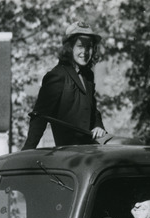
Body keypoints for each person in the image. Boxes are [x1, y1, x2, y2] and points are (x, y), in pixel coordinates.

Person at [22, 21, 108, 150]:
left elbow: (93, 110)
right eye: (80, 46)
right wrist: (27, 151)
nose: (85, 52)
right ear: (69, 48)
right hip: (69, 153)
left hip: (91, 148)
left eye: (89, 47)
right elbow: (39, 116)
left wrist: (98, 125)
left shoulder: (88, 76)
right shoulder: (57, 76)